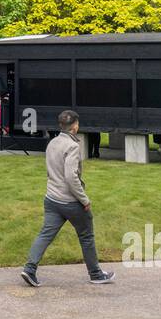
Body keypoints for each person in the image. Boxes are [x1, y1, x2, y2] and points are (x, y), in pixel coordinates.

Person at [22, 110, 114, 287]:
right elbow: (71, 177)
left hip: (51, 198)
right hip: (70, 202)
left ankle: (29, 269)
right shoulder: (73, 147)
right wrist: (84, 200)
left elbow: (50, 170)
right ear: (75, 126)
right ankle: (95, 273)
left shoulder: (52, 143)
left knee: (45, 234)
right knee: (86, 236)